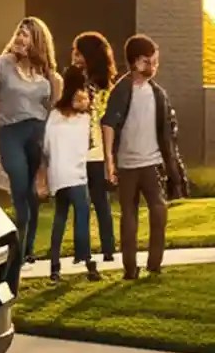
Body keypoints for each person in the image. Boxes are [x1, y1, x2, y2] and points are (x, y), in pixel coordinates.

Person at [101, 34, 189, 279]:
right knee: (129, 215)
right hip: (128, 166)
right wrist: (110, 162)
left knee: (159, 209)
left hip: (151, 164)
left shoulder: (157, 93)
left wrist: (172, 166)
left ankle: (155, 263)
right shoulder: (122, 89)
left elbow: (168, 133)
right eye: (147, 61)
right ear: (134, 62)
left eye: (155, 61)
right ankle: (130, 268)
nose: (152, 66)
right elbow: (108, 124)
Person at [0, 16, 61, 266]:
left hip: (37, 133)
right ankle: (17, 251)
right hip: (10, 132)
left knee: (32, 193)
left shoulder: (48, 76)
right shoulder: (1, 65)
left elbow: (54, 112)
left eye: (26, 35)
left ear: (38, 42)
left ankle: (27, 248)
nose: (20, 39)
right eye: (19, 33)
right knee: (19, 185)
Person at [42, 65, 100, 282]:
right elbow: (87, 145)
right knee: (82, 215)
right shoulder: (83, 117)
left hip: (58, 173)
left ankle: (54, 267)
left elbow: (46, 146)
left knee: (60, 217)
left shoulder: (55, 114)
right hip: (76, 173)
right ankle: (87, 262)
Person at [71, 31, 118, 264]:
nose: (74, 57)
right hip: (76, 154)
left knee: (100, 202)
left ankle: (108, 249)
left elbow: (108, 122)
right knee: (81, 204)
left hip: (97, 154)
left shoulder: (106, 89)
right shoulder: (73, 81)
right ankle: (82, 252)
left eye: (78, 53)